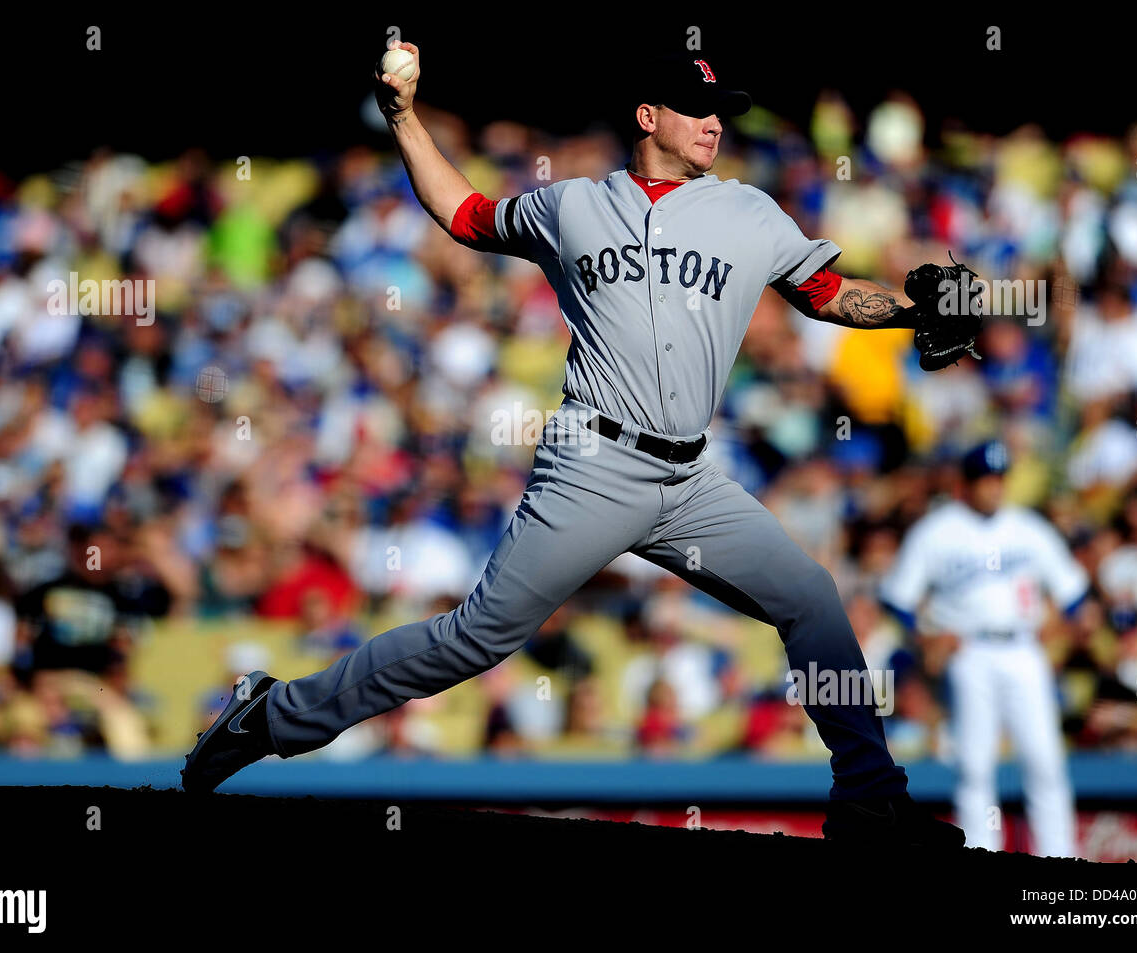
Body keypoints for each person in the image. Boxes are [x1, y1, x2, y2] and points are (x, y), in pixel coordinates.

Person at [183, 41, 967, 847]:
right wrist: (405, 119)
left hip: (691, 477)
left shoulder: (750, 213)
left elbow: (829, 294)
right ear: (648, 116)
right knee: (478, 636)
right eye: (697, 110)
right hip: (593, 463)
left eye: (721, 113)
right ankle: (271, 714)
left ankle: (871, 800)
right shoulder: (574, 205)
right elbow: (464, 213)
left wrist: (914, 308)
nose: (713, 125)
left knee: (812, 600)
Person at [880, 440, 1088, 856]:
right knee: (975, 767)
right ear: (966, 484)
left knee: (1045, 761)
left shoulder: (1028, 527)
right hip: (970, 653)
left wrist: (1059, 629)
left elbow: (1075, 594)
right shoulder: (938, 530)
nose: (993, 488)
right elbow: (896, 597)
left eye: (999, 479)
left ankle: (1059, 854)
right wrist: (927, 633)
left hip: (1024, 648)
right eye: (985, 480)